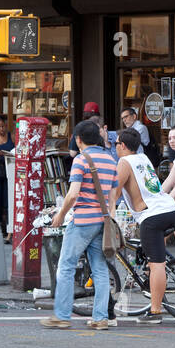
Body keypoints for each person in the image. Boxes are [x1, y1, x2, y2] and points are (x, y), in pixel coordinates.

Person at [42, 119, 118, 330]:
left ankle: (62, 315)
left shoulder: (81, 160)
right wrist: (109, 220)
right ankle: (100, 317)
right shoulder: (111, 161)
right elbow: (113, 198)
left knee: (65, 267)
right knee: (100, 270)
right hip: (102, 222)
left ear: (78, 139)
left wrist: (61, 214)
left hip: (83, 221)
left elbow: (73, 194)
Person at [109, 128, 175, 324]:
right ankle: (154, 285)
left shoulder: (124, 162)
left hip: (153, 216)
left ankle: (156, 312)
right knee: (150, 254)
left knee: (156, 264)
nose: (114, 146)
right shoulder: (143, 158)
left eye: (116, 143)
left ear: (122, 146)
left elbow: (114, 194)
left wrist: (107, 216)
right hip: (170, 210)